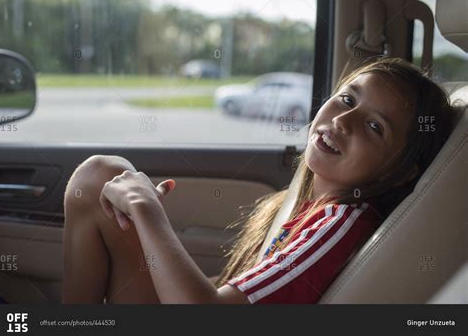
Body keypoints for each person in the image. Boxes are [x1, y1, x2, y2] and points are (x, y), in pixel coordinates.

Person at [62, 58, 452, 304]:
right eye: (348, 100)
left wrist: (147, 212)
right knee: (100, 177)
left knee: (100, 175)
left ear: (401, 171)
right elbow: (238, 284)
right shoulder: (307, 204)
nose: (342, 121)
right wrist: (149, 231)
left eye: (373, 126)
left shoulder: (340, 225)